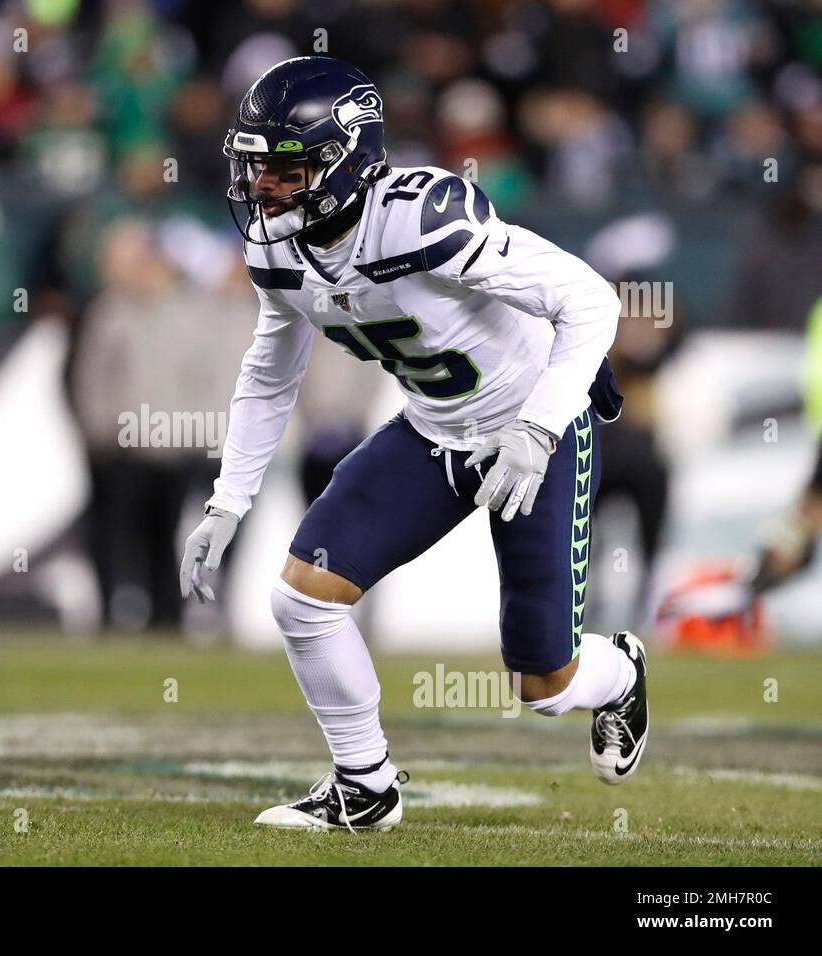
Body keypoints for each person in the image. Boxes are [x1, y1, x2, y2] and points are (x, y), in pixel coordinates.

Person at [179, 57, 645, 832]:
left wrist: (538, 425)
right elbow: (269, 376)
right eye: (255, 169)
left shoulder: (422, 217)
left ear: (344, 160)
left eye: (284, 170)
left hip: (535, 431)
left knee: (545, 684)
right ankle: (365, 786)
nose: (262, 190)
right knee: (302, 598)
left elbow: (592, 300)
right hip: (434, 431)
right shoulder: (278, 251)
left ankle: (619, 670)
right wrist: (229, 499)